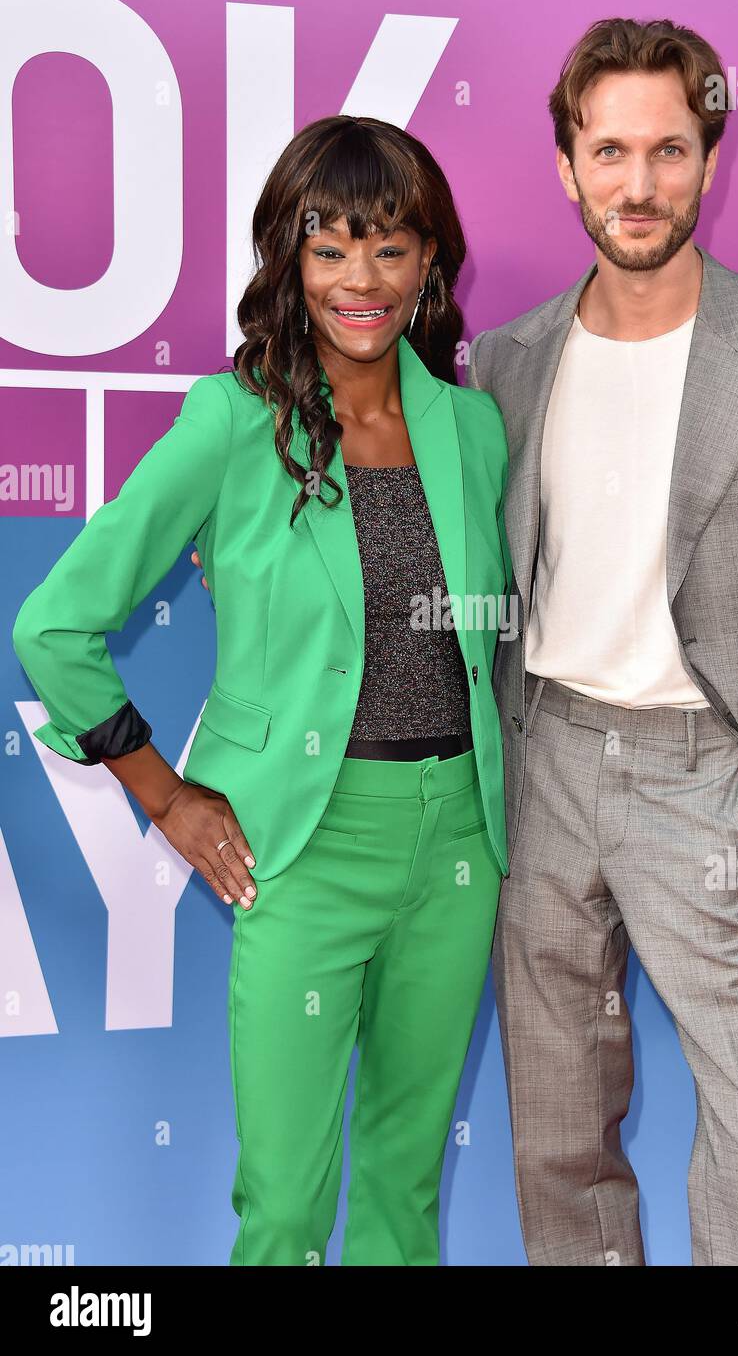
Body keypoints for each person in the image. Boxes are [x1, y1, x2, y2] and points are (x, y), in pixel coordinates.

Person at [12, 115, 512, 1266]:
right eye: (327, 245)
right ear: (286, 259)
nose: (361, 279)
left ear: (431, 260)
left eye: (391, 246)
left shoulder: (471, 427)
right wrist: (165, 792)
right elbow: (54, 626)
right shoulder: (233, 422)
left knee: (404, 1193)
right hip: (300, 847)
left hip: (460, 847)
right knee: (283, 1209)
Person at [466, 18, 738, 1265]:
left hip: (711, 775)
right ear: (566, 164)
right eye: (608, 150)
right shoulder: (505, 360)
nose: (638, 183)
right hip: (541, 762)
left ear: (710, 155)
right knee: (556, 1136)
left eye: (667, 149)